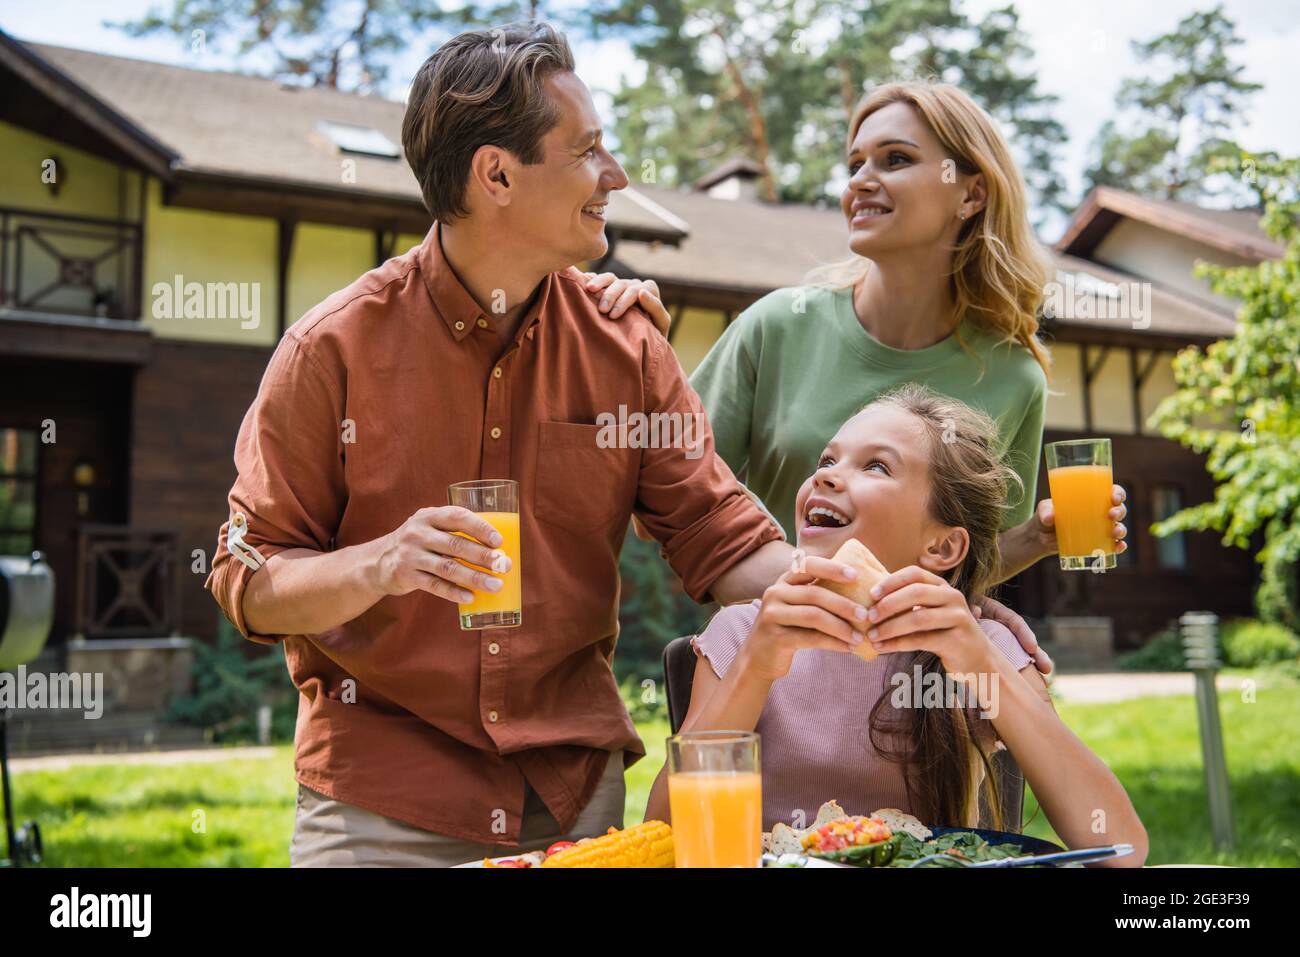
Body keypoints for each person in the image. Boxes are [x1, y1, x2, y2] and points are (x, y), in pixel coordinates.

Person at [204, 21, 854, 868]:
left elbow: (719, 537)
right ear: (497, 174)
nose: (615, 176)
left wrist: (859, 593)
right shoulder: (331, 351)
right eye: (587, 152)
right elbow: (248, 576)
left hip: (573, 807)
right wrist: (383, 561)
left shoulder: (627, 346)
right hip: (383, 807)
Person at [587, 81, 1130, 674]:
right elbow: (661, 505)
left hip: (918, 690)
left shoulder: (1014, 375)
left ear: (970, 193)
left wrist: (1042, 538)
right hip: (768, 674)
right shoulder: (776, 326)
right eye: (855, 164)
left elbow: (966, 560)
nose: (860, 181)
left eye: (895, 159)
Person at [643, 385, 1148, 866]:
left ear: (941, 548)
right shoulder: (740, 633)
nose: (826, 475)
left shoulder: (981, 645)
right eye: (826, 460)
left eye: (876, 466)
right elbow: (664, 838)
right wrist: (754, 667)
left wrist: (980, 661)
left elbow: (1120, 848)